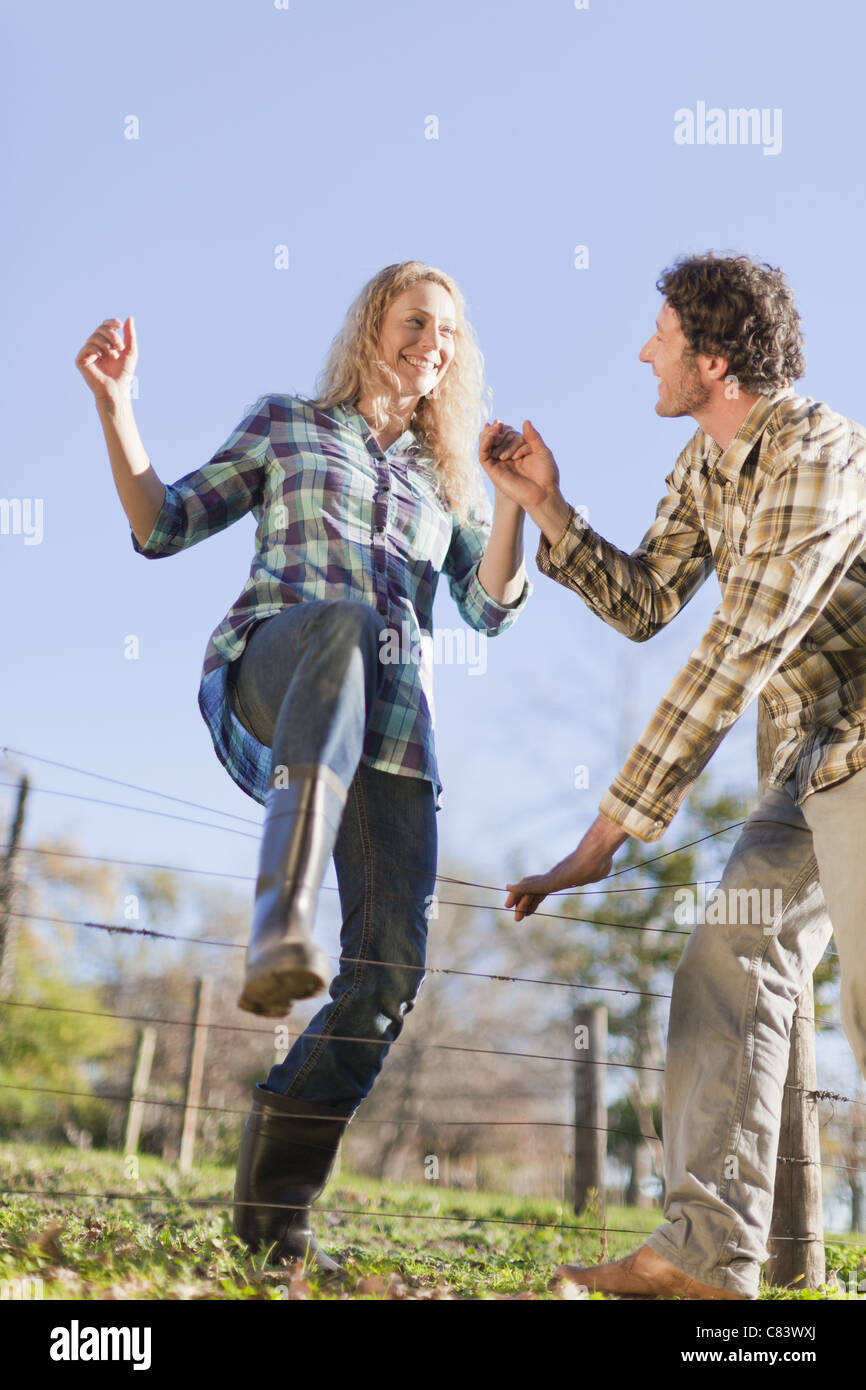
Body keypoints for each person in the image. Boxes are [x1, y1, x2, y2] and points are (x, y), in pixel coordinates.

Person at [75, 261, 531, 1271]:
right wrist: (118, 407)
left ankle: (269, 1227)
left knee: (385, 983)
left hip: (391, 735)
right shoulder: (287, 424)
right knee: (343, 624)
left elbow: (488, 608)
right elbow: (161, 523)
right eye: (418, 321)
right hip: (278, 665)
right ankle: (278, 917)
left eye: (450, 334)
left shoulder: (438, 477)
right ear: (375, 322)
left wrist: (507, 503)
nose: (434, 344)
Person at [480, 252, 866, 1300]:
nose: (640, 351)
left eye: (658, 336)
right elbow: (648, 599)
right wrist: (545, 505)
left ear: (714, 361)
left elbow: (731, 653)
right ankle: (714, 1259)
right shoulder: (708, 464)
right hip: (811, 755)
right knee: (727, 961)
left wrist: (603, 837)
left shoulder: (822, 458)